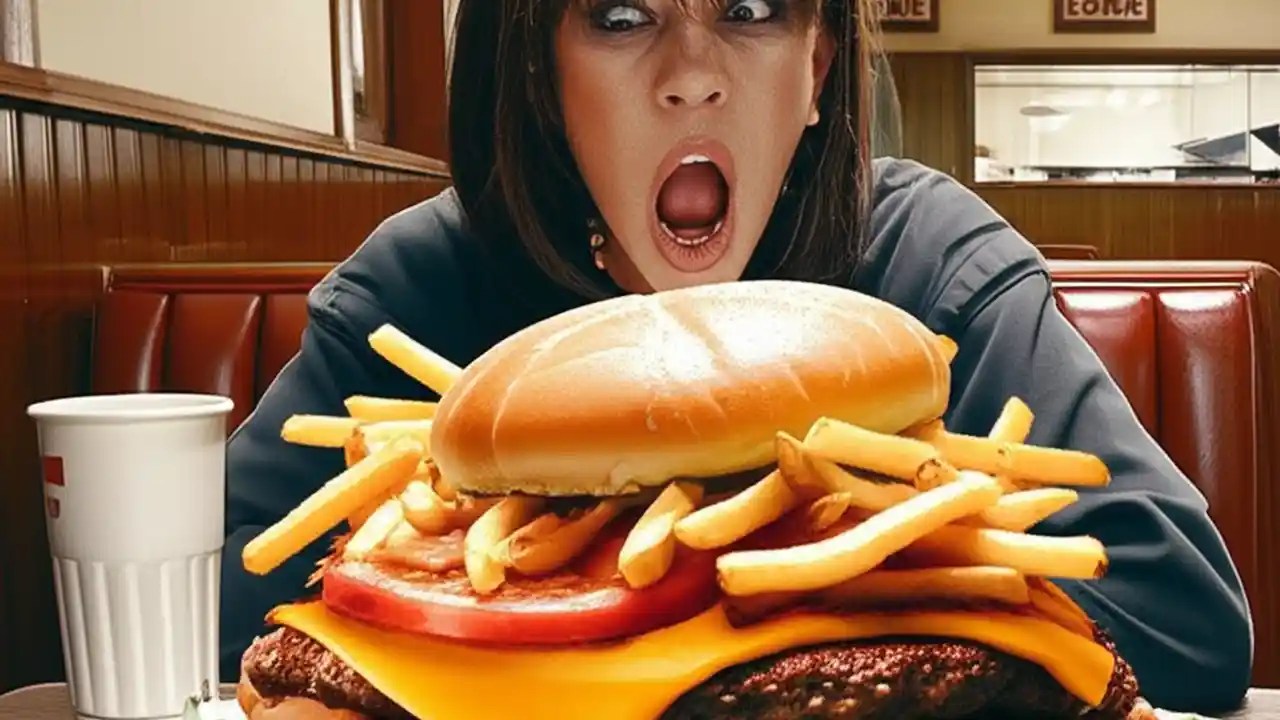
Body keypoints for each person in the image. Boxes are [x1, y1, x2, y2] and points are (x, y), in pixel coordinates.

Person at [219, 0, 1253, 711]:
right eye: (620, 16)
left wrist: (760, 623)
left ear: (815, 70)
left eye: (750, 9)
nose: (691, 77)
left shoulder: (927, 263)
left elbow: (1185, 626)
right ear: (540, 74)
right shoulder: (421, 282)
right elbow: (209, 606)